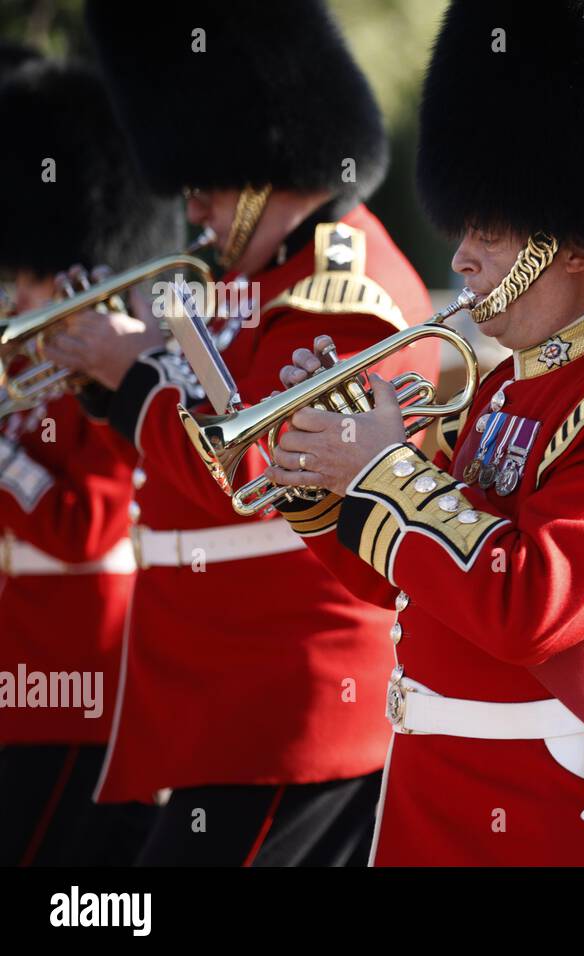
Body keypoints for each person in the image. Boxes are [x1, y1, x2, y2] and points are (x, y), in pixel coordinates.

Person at [262, 0, 584, 866]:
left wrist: (388, 473)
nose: (462, 258)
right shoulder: (512, 386)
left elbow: (526, 610)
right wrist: (325, 476)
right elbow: (413, 584)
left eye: (489, 228)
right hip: (436, 791)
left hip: (557, 806)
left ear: (576, 242)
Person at [41, 0, 438, 866]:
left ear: (266, 161)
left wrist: (133, 377)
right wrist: (110, 389)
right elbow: (171, 473)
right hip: (221, 702)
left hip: (290, 708)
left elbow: (261, 476)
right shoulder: (251, 286)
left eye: (207, 185)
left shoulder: (345, 293)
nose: (195, 211)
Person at [0, 51, 178, 867]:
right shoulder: (20, 368)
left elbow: (86, 525)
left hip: (77, 686)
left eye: (30, 279)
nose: (18, 297)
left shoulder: (95, 380)